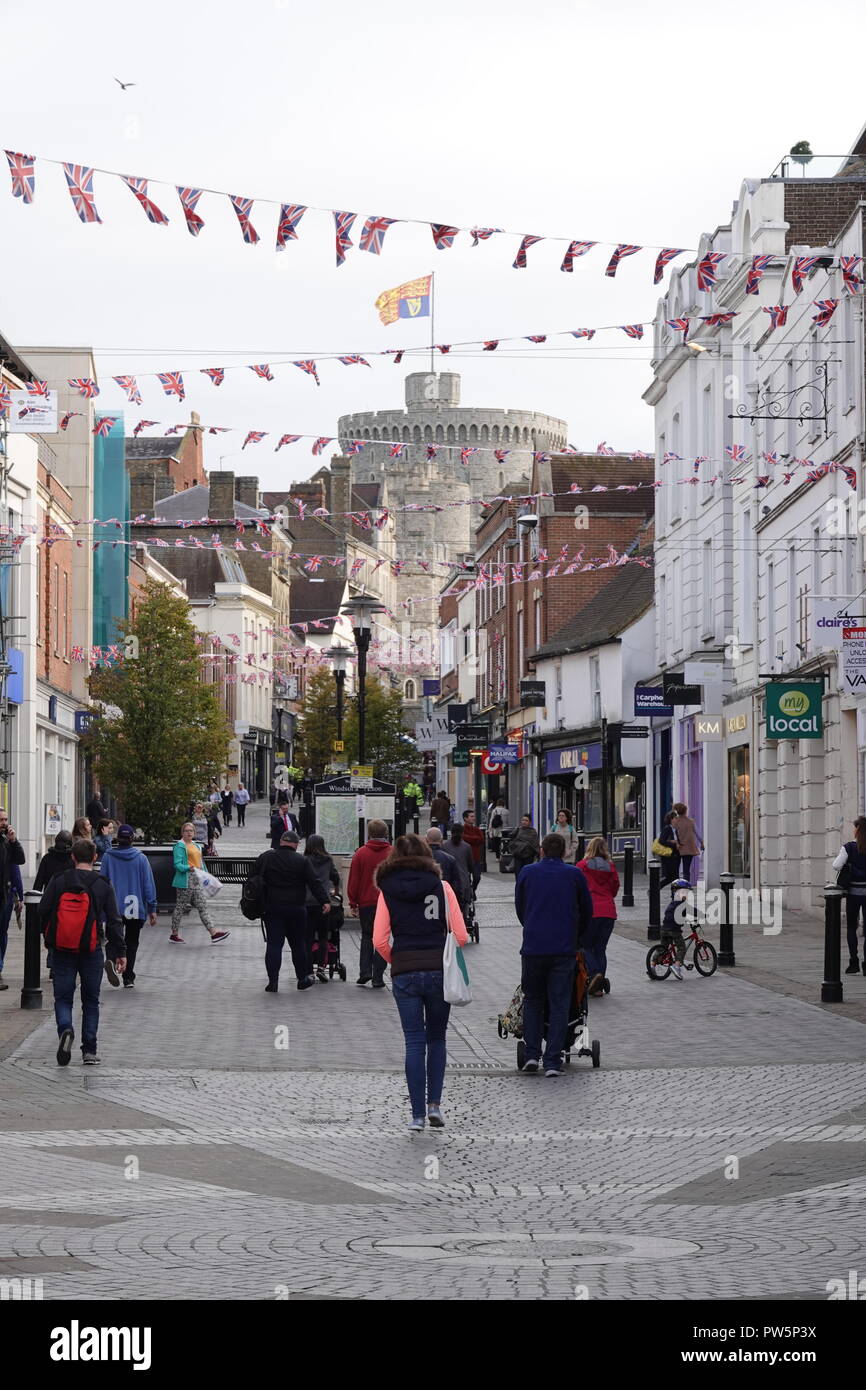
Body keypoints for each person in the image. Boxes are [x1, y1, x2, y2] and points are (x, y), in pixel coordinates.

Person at [372, 834, 469, 1131]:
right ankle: (434, 1106)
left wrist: (397, 959)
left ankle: (415, 1115)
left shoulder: (386, 890)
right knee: (437, 1038)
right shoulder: (442, 887)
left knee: (414, 1041)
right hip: (438, 970)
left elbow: (378, 939)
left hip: (405, 972)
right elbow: (461, 936)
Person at [39, 837, 126, 1066]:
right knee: (91, 1000)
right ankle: (89, 1050)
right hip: (91, 948)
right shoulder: (102, 884)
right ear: (95, 858)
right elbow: (115, 921)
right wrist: (120, 952)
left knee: (63, 997)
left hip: (62, 949)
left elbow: (42, 911)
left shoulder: (59, 880)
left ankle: (66, 1029)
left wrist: (49, 939)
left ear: (73, 857)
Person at [515, 832, 594, 1076]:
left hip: (534, 948)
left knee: (533, 1000)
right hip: (563, 949)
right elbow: (587, 910)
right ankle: (552, 1059)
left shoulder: (527, 873)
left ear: (541, 850)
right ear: (564, 852)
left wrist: (531, 926)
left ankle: (531, 1055)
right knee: (560, 1003)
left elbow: (520, 907)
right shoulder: (574, 875)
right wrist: (575, 935)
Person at [254, 830, 330, 991]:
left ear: (281, 841)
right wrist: (324, 900)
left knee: (274, 945)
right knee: (298, 945)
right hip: (296, 909)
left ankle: (273, 982)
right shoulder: (301, 860)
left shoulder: (266, 857)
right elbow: (314, 882)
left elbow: (253, 879)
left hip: (273, 908)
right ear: (296, 845)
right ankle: (302, 978)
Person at [99, 824, 157, 990]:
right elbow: (148, 885)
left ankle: (111, 958)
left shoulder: (108, 857)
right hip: (135, 906)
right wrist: (152, 907)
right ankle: (128, 977)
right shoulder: (141, 858)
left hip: (113, 906)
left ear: (118, 839)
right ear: (132, 839)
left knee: (112, 937)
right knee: (132, 941)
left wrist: (101, 908)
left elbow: (102, 881)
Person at [346, 819, 392, 987]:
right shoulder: (392, 853)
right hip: (387, 903)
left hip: (366, 902)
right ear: (386, 833)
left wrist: (353, 902)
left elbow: (354, 880)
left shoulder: (361, 854)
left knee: (367, 936)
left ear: (369, 833)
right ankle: (378, 976)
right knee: (382, 938)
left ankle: (365, 971)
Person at [169, 822, 229, 945]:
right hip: (185, 880)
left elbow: (201, 863)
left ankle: (214, 933)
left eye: (191, 830)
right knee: (180, 907)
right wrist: (188, 868)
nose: (189, 832)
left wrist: (206, 876)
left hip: (197, 879)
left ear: (194, 833)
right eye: (186, 830)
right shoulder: (179, 846)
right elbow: (177, 864)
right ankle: (174, 934)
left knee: (202, 906)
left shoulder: (197, 845)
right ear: (182, 833)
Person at [576, 837, 620, 996]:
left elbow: (577, 888)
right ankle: (598, 986)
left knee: (585, 946)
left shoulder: (581, 866)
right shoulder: (611, 867)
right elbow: (615, 887)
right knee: (600, 949)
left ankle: (595, 975)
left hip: (590, 911)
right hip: (608, 911)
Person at [304, 834, 340, 983]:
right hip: (323, 902)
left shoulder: (304, 860)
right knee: (324, 936)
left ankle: (307, 970)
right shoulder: (327, 860)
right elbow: (335, 877)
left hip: (306, 902)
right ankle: (321, 967)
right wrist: (335, 891)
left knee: (308, 937)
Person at [833, 817, 866, 975]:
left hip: (853, 893)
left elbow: (836, 865)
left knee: (852, 928)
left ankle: (854, 962)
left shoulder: (849, 847)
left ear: (857, 829)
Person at [0, 807, 26, 992]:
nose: (5, 823)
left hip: (6, 895)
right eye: (1, 820)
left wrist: (14, 841)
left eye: (6, 819)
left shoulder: (7, 842)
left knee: (2, 933)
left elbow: (19, 862)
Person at [426, 826, 468, 902]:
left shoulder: (419, 859)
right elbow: (456, 885)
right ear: (441, 840)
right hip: (445, 898)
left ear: (426, 840)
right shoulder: (450, 859)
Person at [661, 878, 692, 980]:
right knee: (681, 947)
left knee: (662, 948)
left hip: (664, 929)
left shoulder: (672, 903)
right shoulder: (682, 904)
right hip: (674, 930)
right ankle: (677, 965)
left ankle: (652, 963)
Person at [446, 823, 475, 913]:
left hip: (449, 882)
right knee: (463, 906)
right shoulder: (467, 847)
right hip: (463, 881)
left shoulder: (444, 846)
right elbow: (471, 866)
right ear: (462, 833)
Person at [672, 802, 703, 884]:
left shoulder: (676, 822)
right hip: (689, 848)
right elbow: (698, 833)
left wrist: (676, 843)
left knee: (676, 869)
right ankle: (686, 886)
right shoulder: (691, 821)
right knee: (686, 870)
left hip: (678, 848)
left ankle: (676, 885)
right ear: (686, 811)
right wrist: (702, 842)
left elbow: (673, 834)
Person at [461, 810, 485, 889]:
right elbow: (464, 838)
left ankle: (473, 890)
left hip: (476, 857)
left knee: (477, 877)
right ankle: (469, 893)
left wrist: (470, 839)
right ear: (465, 818)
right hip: (465, 858)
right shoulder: (462, 829)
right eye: (471, 816)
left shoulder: (477, 829)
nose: (473, 818)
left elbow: (481, 839)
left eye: (473, 816)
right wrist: (475, 839)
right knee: (466, 878)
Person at [657, 811, 681, 887]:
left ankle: (674, 894)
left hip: (676, 856)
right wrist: (673, 843)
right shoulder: (667, 829)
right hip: (669, 857)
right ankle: (654, 889)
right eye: (676, 818)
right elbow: (661, 841)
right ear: (671, 819)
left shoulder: (675, 830)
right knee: (671, 878)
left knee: (674, 877)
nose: (677, 819)